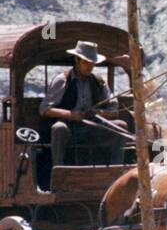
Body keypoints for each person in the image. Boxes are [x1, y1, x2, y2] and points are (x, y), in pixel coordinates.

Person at [39, 40, 129, 168]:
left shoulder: (99, 82)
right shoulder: (63, 80)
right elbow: (44, 109)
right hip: (70, 129)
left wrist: (98, 113)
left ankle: (116, 169)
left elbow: (114, 111)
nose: (90, 67)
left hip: (93, 128)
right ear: (77, 60)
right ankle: (59, 172)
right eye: (86, 62)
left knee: (121, 126)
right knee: (58, 128)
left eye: (92, 63)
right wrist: (71, 115)